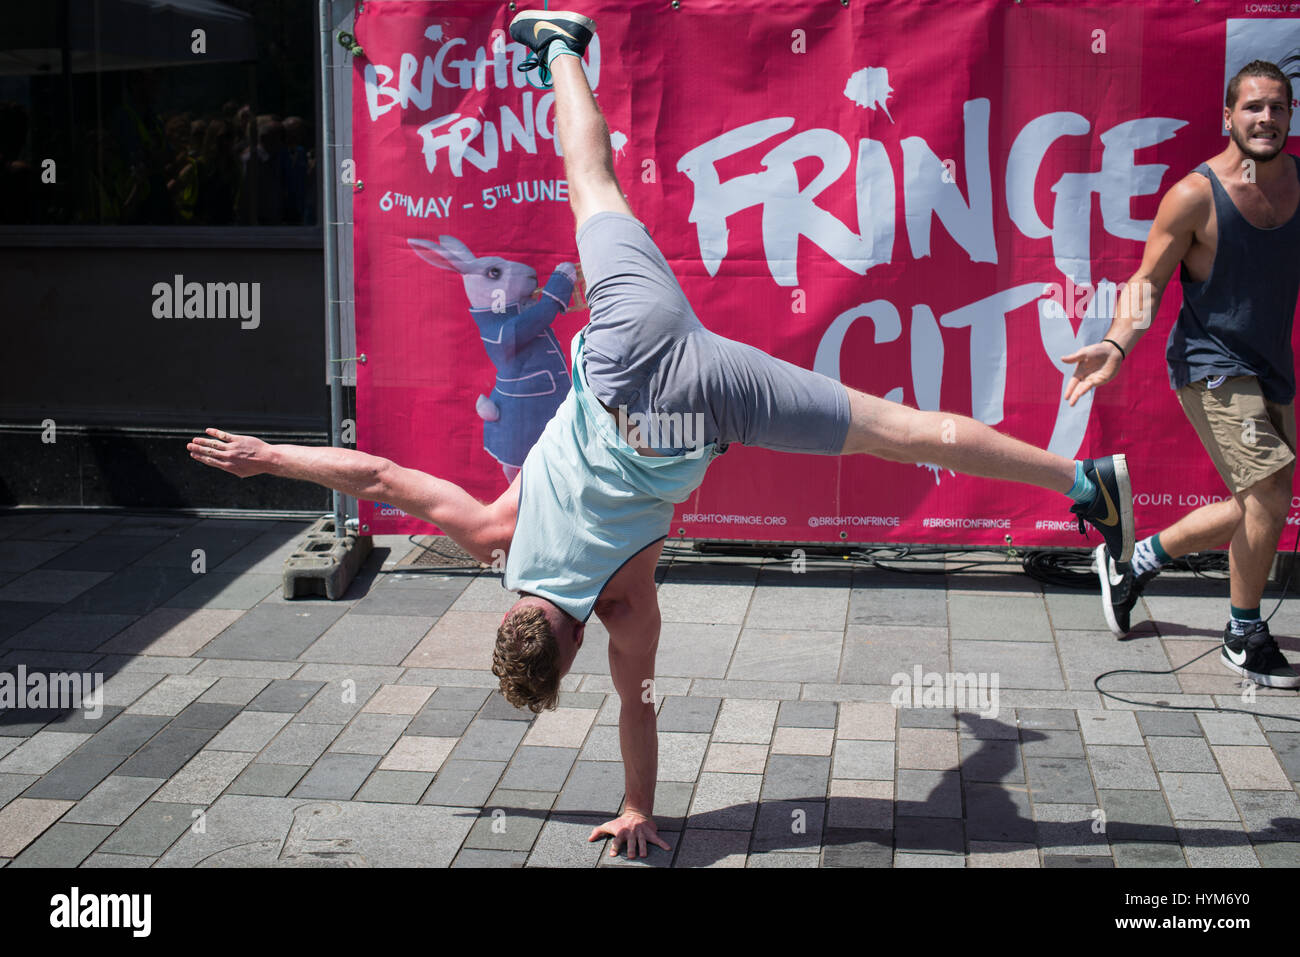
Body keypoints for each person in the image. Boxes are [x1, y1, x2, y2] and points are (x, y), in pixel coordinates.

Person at [189, 9, 1134, 858]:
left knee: (904, 433)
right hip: (627, 358)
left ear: (565, 651)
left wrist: (639, 807)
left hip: (700, 411)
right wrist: (270, 458)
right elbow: (381, 473)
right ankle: (562, 45)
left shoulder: (623, 613)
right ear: (513, 613)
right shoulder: (496, 540)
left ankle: (1083, 480)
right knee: (591, 179)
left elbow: (638, 714)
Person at [1066, 60, 1300, 689]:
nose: (1266, 119)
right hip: (1212, 368)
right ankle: (1243, 635)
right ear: (1228, 117)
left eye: (1278, 107)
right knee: (1271, 494)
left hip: (1272, 367)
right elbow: (1147, 281)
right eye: (1253, 107)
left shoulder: (1297, 183)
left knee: (1260, 506)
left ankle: (1137, 560)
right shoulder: (1195, 195)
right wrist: (1116, 343)